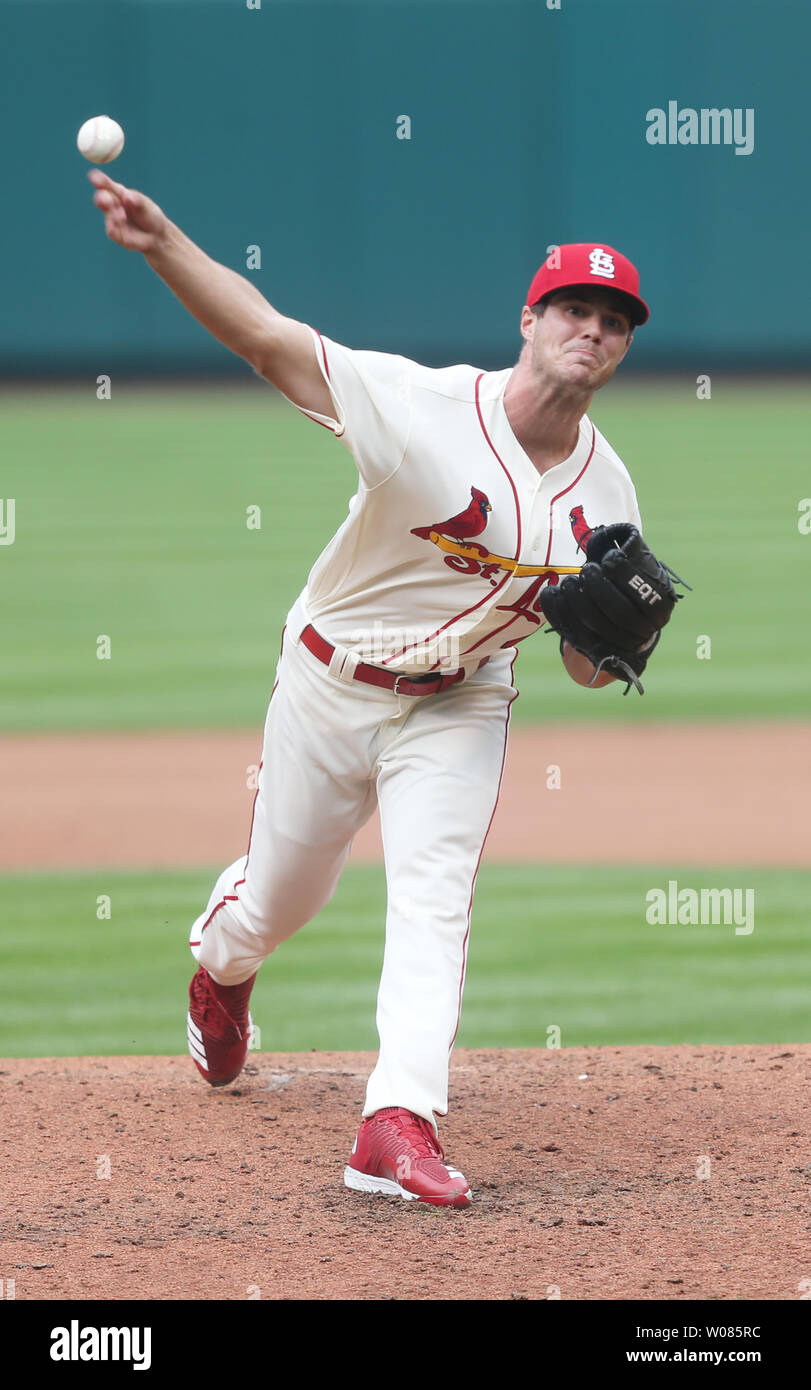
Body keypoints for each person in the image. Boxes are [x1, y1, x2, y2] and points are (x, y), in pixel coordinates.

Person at [89, 169, 651, 1208]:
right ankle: (222, 963)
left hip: (463, 701)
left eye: (614, 319)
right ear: (529, 320)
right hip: (330, 679)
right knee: (280, 899)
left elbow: (581, 665)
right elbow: (267, 337)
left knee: (433, 892)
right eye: (575, 307)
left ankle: (396, 1120)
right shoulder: (421, 406)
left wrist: (611, 644)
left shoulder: (608, 494)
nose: (593, 329)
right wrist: (164, 242)